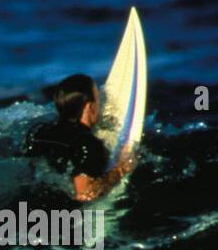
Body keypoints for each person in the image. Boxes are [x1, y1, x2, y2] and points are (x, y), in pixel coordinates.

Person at [22, 73, 137, 203]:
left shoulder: (39, 131)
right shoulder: (87, 143)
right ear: (90, 107)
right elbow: (85, 196)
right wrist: (120, 169)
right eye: (99, 99)